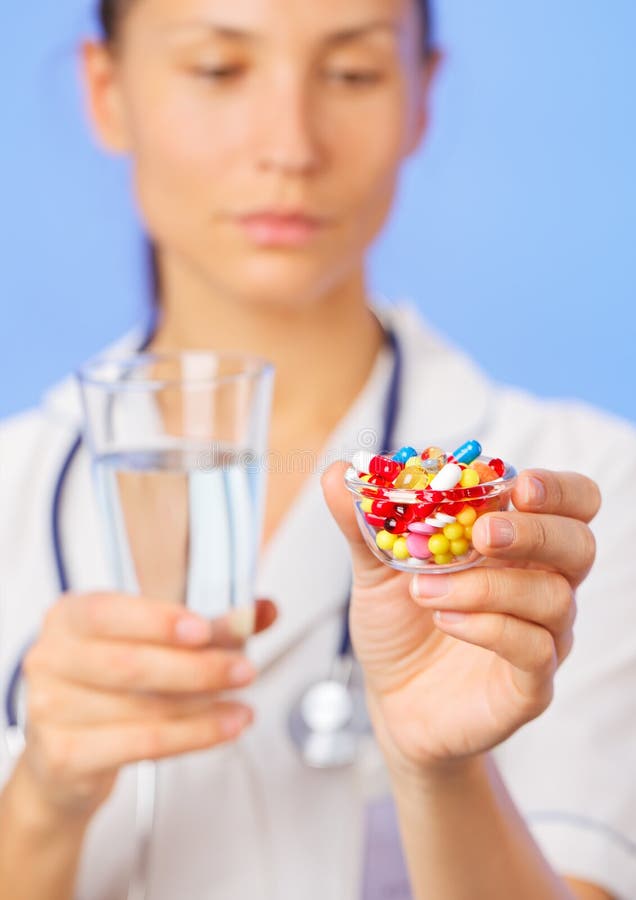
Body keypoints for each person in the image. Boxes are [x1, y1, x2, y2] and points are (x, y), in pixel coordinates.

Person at [0, 0, 634, 898]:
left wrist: (444, 775)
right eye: (219, 69)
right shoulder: (14, 486)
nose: (291, 146)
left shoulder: (574, 493)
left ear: (422, 97)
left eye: (352, 73)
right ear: (106, 91)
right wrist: (40, 803)